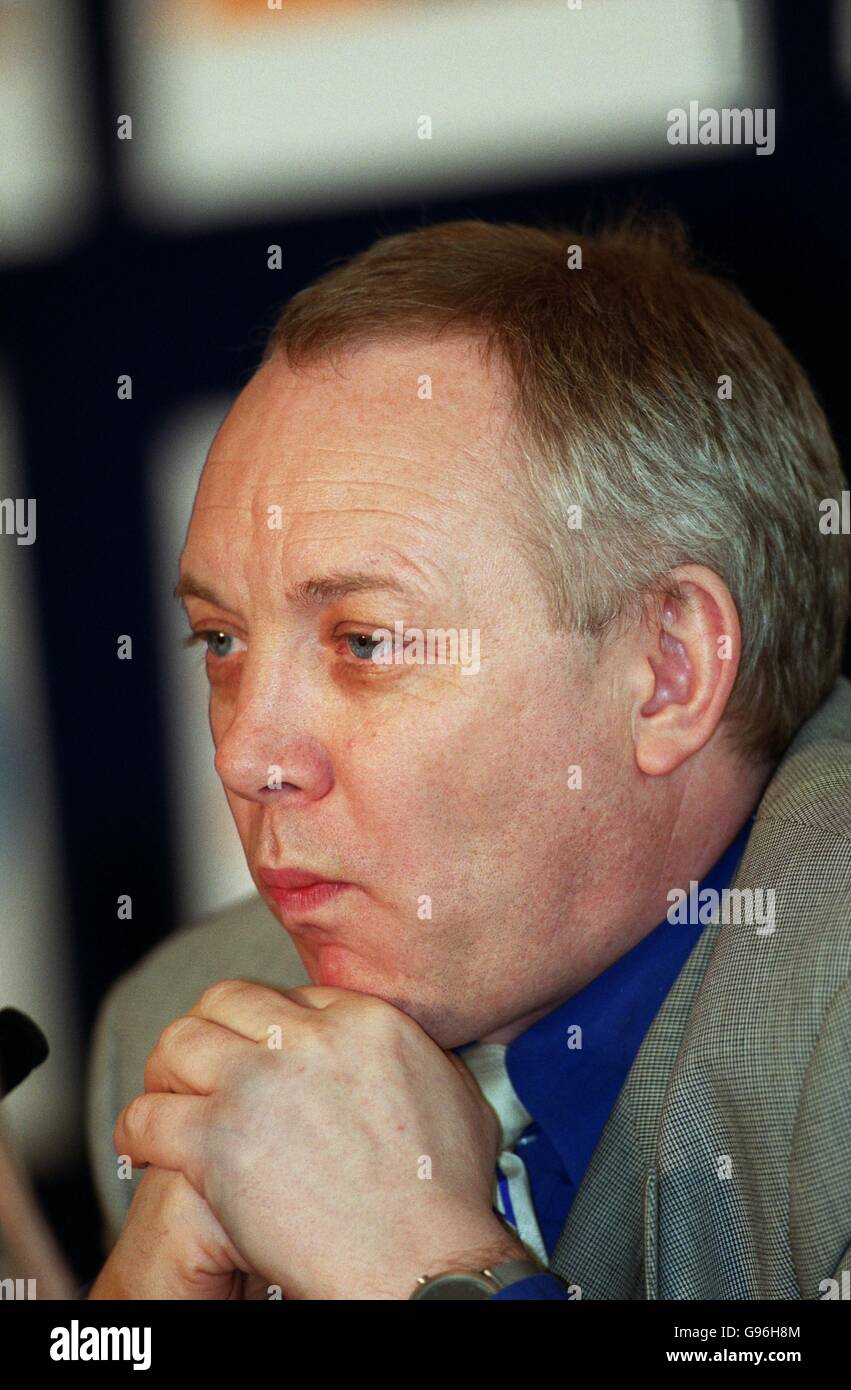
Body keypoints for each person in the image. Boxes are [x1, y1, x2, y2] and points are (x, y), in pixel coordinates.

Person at [85, 216, 850, 1300]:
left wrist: (426, 1272)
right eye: (220, 641)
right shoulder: (198, 1048)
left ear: (665, 667)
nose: (248, 755)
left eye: (364, 642)